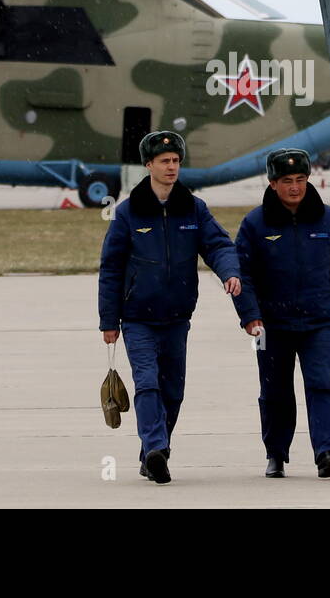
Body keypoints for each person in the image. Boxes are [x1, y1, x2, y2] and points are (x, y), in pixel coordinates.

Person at [98, 131, 241, 484]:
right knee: (147, 384)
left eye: (176, 161)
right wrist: (108, 320)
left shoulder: (193, 208)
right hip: (137, 317)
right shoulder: (128, 212)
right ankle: (156, 448)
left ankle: (153, 452)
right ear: (149, 165)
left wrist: (230, 272)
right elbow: (111, 268)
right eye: (164, 161)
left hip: (177, 317)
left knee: (173, 390)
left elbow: (219, 245)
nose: (172, 167)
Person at [233, 148, 330, 479]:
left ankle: (327, 451)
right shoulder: (254, 223)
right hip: (269, 326)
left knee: (320, 384)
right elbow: (242, 275)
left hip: (318, 321)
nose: (295, 187)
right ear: (273, 183)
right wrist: (250, 315)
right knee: (275, 390)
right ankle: (276, 453)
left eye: (301, 180)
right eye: (287, 181)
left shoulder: (327, 218)